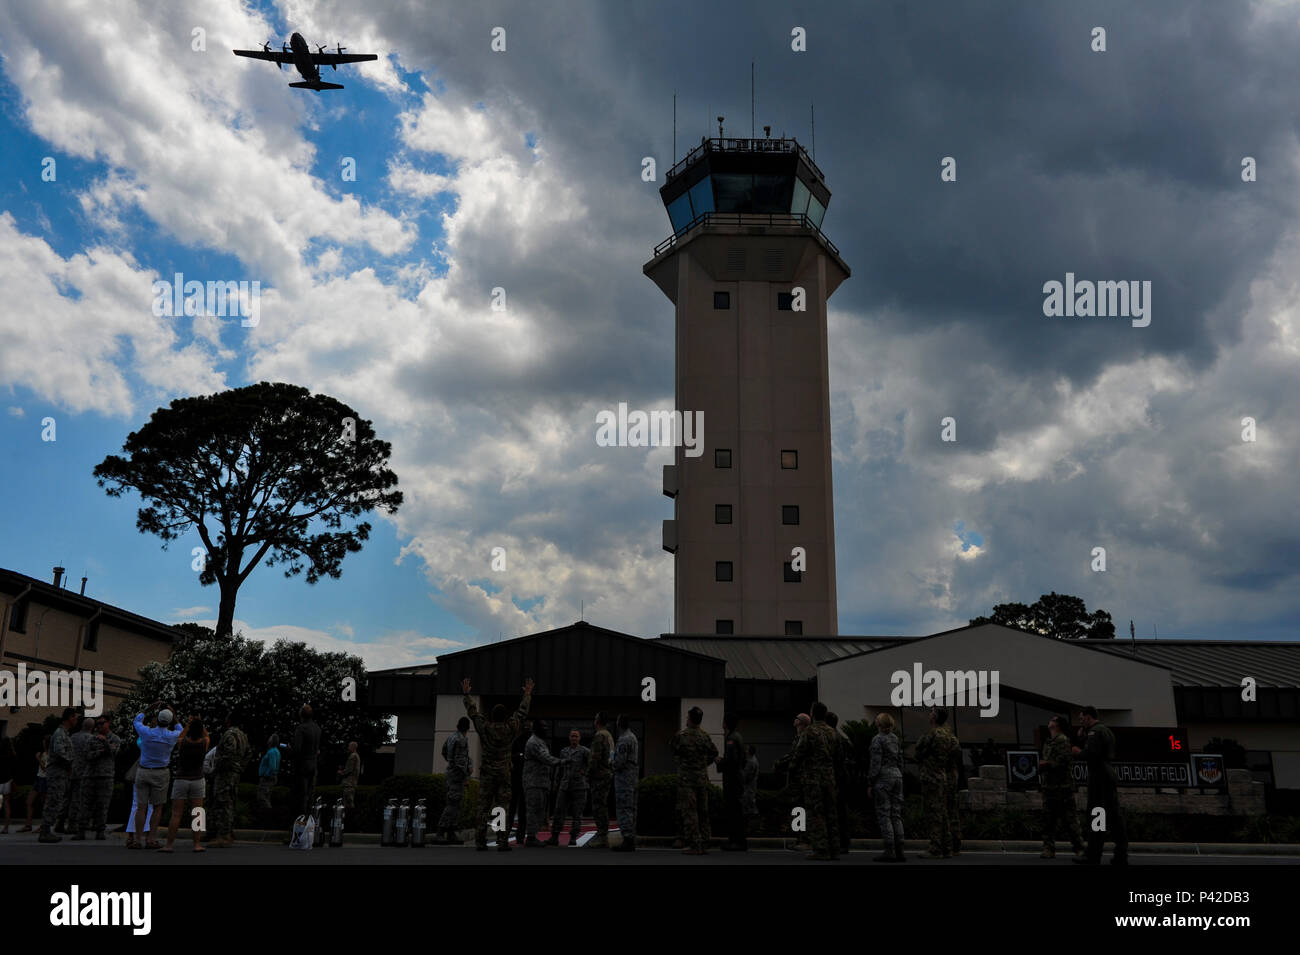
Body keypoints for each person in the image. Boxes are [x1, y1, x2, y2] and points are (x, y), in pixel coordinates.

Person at [461, 676, 532, 852]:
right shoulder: (510, 728)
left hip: (487, 772)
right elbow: (521, 713)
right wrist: (527, 695)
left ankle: (480, 841)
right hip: (503, 773)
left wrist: (467, 694)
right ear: (505, 716)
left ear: (492, 716)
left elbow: (473, 712)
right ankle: (501, 841)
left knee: (483, 806)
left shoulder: (485, 727)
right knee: (502, 807)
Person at [1072, 706, 1128, 865]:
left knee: (1097, 816)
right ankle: (1121, 855)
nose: (1081, 722)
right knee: (1114, 816)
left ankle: (1093, 855)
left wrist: (1077, 751)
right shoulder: (1106, 730)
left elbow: (1092, 754)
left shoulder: (1094, 732)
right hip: (1108, 776)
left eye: (1082, 719)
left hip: (1099, 777)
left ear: (1089, 717)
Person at [131, 702, 183, 850]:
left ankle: (137, 839)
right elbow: (182, 730)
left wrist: (148, 708)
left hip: (143, 770)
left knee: (141, 807)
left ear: (158, 719)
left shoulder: (147, 732)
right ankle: (151, 839)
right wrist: (175, 716)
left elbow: (137, 721)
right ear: (169, 722)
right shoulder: (171, 736)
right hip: (161, 772)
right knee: (157, 807)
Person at [792, 701, 839, 861]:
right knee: (831, 813)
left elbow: (799, 754)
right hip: (830, 778)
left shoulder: (809, 731)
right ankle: (834, 849)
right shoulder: (833, 732)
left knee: (816, 813)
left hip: (813, 779)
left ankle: (821, 849)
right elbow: (839, 756)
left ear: (812, 714)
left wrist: (792, 770)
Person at [671, 706, 718, 855]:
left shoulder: (681, 736)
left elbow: (672, 749)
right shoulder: (705, 736)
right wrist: (703, 764)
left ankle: (695, 844)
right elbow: (714, 753)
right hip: (702, 779)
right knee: (703, 811)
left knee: (690, 811)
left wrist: (683, 762)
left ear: (690, 719)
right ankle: (705, 841)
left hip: (687, 780)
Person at [915, 707, 960, 859]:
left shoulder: (932, 734)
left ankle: (935, 848)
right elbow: (956, 752)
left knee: (934, 814)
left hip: (931, 777)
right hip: (943, 775)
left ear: (934, 717)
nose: (929, 714)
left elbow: (918, 752)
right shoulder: (949, 735)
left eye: (931, 712)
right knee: (944, 813)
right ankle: (947, 847)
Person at [1039, 714, 1084, 860]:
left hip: (1062, 787)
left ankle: (1079, 848)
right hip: (1049, 786)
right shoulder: (1049, 741)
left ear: (1057, 725)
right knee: (1048, 820)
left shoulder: (1062, 740)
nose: (1050, 721)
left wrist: (1047, 764)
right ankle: (1048, 849)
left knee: (1070, 820)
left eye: (1052, 719)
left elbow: (1064, 761)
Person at [162, 715, 208, 853]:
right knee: (197, 813)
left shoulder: (183, 743)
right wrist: (199, 722)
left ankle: (169, 845)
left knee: (176, 814)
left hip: (181, 779)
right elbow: (207, 735)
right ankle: (197, 844)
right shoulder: (204, 743)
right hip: (198, 780)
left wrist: (188, 724)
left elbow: (180, 736)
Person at [868, 712, 906, 862]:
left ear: (878, 724)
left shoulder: (877, 740)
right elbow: (900, 759)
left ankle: (889, 850)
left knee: (884, 814)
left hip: (883, 778)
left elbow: (875, 763)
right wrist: (899, 774)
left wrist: (871, 782)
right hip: (897, 777)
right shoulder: (895, 739)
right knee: (896, 814)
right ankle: (900, 850)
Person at [209, 711, 251, 848]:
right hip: (235, 773)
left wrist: (218, 768)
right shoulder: (243, 736)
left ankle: (223, 835)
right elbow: (249, 753)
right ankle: (228, 832)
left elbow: (228, 753)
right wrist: (240, 767)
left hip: (226, 773)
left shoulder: (229, 734)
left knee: (223, 802)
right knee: (230, 802)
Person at [39, 707, 79, 843]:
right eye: (75, 717)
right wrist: (70, 763)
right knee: (53, 801)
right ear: (69, 718)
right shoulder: (60, 733)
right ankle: (45, 831)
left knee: (56, 801)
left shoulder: (64, 733)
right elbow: (60, 752)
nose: (76, 720)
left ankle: (47, 830)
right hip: (57, 773)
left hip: (60, 773)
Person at [78, 715, 121, 841]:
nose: (99, 726)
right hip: (90, 776)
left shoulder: (115, 738)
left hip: (105, 777)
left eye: (102, 723)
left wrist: (105, 742)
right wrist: (101, 752)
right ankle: (81, 830)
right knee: (85, 805)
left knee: (102, 805)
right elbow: (87, 755)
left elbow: (114, 753)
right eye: (98, 724)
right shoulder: (91, 739)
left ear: (108, 723)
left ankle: (100, 831)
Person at [520, 718, 560, 847]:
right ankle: (530, 838)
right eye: (543, 726)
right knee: (533, 809)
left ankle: (533, 836)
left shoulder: (541, 742)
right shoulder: (534, 742)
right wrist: (561, 762)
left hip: (541, 783)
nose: (546, 729)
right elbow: (546, 758)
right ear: (536, 728)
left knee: (539, 810)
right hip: (533, 783)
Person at [547, 729, 589, 846]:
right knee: (558, 811)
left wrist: (585, 773)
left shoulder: (584, 751)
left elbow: (593, 764)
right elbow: (559, 768)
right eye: (572, 736)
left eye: (576, 736)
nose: (574, 738)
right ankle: (554, 836)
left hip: (579, 786)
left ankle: (573, 837)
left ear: (579, 738)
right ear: (569, 738)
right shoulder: (564, 751)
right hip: (565, 786)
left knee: (577, 814)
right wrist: (556, 782)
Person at [437, 717, 473, 844]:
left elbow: (444, 751)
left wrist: (450, 762)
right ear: (468, 727)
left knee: (454, 804)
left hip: (451, 774)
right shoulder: (461, 740)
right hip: (457, 776)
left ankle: (450, 832)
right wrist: (467, 776)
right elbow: (461, 761)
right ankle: (441, 831)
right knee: (453, 805)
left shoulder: (451, 737)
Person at [716, 713, 747, 851]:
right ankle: (739, 841)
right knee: (737, 810)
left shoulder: (731, 739)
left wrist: (720, 762)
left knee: (733, 811)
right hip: (737, 779)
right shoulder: (738, 737)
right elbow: (742, 760)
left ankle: (735, 842)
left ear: (726, 724)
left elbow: (731, 762)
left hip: (732, 780)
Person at [611, 714, 640, 852]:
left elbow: (620, 762)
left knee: (624, 808)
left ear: (619, 724)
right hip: (632, 777)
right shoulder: (633, 737)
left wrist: (611, 761)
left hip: (624, 779)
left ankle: (627, 839)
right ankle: (631, 838)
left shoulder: (624, 739)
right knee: (631, 809)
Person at [586, 712, 614, 848]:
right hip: (607, 773)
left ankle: (601, 835)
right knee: (602, 804)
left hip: (599, 775)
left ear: (597, 721)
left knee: (598, 806)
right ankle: (603, 833)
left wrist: (588, 774)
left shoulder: (599, 735)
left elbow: (594, 758)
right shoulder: (609, 735)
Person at [826, 712, 852, 855]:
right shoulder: (842, 738)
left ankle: (838, 843)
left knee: (835, 812)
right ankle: (844, 843)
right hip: (842, 778)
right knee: (842, 812)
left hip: (836, 778)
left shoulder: (832, 738)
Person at [66, 716, 95, 838]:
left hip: (72, 771)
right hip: (84, 773)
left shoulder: (73, 737)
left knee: (68, 798)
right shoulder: (91, 739)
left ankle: (62, 822)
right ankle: (74, 824)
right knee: (79, 800)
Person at [291, 705, 322, 816]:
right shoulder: (317, 728)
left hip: (302, 765)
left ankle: (300, 821)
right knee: (310, 795)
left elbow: (297, 750)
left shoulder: (301, 728)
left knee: (301, 795)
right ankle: (309, 819)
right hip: (313, 765)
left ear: (301, 715)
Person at [506, 726, 529, 842]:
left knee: (522, 810)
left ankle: (519, 836)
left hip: (524, 779)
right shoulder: (516, 741)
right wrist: (520, 756)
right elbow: (510, 756)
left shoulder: (531, 741)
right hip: (516, 778)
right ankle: (506, 833)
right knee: (512, 809)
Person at [23, 735, 49, 832]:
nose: (42, 743)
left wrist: (38, 759)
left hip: (45, 780)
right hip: (39, 778)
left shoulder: (49, 755)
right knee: (29, 801)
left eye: (44, 741)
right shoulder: (43, 753)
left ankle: (43, 826)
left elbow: (45, 768)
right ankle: (28, 825)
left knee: (44, 804)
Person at [256, 734, 280, 825]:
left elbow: (273, 766)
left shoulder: (272, 752)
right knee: (266, 797)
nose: (268, 739)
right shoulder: (274, 751)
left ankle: (267, 819)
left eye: (270, 738)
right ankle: (267, 819)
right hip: (269, 777)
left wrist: (266, 775)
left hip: (267, 778)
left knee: (263, 797)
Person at [338, 741, 361, 810]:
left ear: (352, 747)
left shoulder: (353, 756)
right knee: (349, 803)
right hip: (352, 783)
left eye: (349, 746)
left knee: (348, 804)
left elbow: (349, 769)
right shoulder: (357, 756)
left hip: (349, 783)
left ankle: (349, 819)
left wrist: (341, 772)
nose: (348, 748)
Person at [0, 737, 17, 833]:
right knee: (7, 804)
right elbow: (15, 770)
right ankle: (6, 827)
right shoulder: (12, 755)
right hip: (8, 780)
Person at [742, 744, 759, 827]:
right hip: (751, 787)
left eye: (746, 749)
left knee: (748, 806)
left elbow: (746, 776)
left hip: (748, 788)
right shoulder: (753, 760)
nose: (745, 751)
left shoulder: (750, 762)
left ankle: (750, 825)